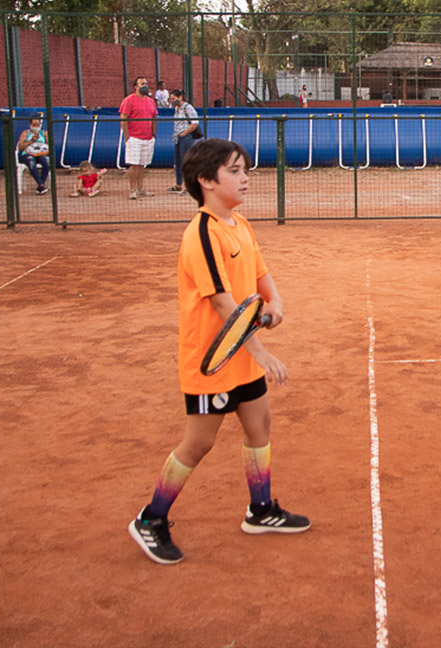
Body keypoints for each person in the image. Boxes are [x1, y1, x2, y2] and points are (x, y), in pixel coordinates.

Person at [128, 138, 310, 565]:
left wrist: (276, 302)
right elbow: (223, 304)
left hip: (241, 350)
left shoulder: (239, 224)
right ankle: (151, 518)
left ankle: (260, 509)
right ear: (207, 181)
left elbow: (260, 273)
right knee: (198, 443)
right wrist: (261, 352)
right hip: (212, 360)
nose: (245, 178)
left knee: (259, 424)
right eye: (235, 170)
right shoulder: (202, 234)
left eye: (245, 169)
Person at [119, 76, 158, 200]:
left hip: (147, 138)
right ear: (135, 86)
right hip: (134, 137)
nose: (145, 85)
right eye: (142, 83)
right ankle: (132, 189)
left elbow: (154, 118)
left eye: (146, 83)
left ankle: (141, 188)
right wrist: (127, 136)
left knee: (142, 164)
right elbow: (123, 118)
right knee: (133, 165)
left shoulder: (151, 101)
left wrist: (153, 134)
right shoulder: (129, 100)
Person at [169, 89, 200, 194]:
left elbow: (194, 123)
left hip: (186, 138)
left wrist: (185, 133)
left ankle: (188, 186)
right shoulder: (176, 109)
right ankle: (178, 184)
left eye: (174, 99)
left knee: (186, 162)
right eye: (171, 99)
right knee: (178, 162)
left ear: (180, 97)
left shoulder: (188, 108)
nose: (172, 101)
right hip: (177, 138)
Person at [16, 114, 50, 195]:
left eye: (37, 125)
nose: (36, 126)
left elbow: (50, 145)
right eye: (34, 125)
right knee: (31, 162)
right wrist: (31, 141)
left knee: (47, 162)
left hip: (41, 153)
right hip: (28, 154)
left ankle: (41, 185)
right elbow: (20, 147)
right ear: (30, 124)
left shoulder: (44, 133)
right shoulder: (25, 133)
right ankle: (41, 185)